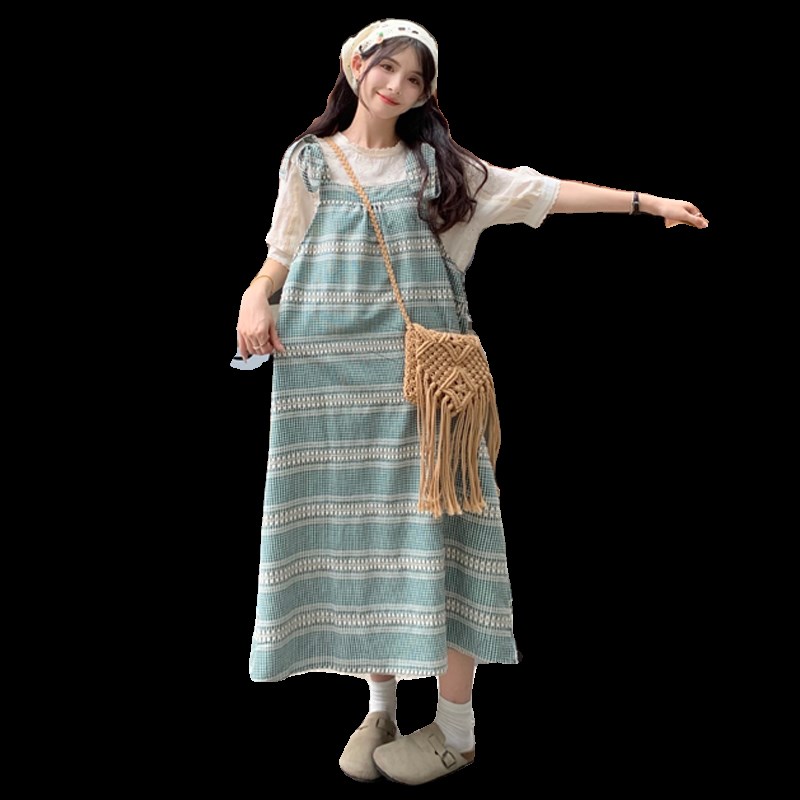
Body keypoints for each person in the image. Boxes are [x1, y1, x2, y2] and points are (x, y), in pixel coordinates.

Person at [237, 18, 708, 786]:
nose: (396, 87)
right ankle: (380, 709)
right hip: (328, 383)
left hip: (430, 388)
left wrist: (646, 202)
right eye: (387, 68)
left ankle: (455, 729)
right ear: (356, 66)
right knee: (365, 538)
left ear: (427, 93)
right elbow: (281, 252)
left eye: (415, 79)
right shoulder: (309, 160)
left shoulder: (442, 168)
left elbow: (540, 190)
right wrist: (256, 297)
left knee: (449, 535)